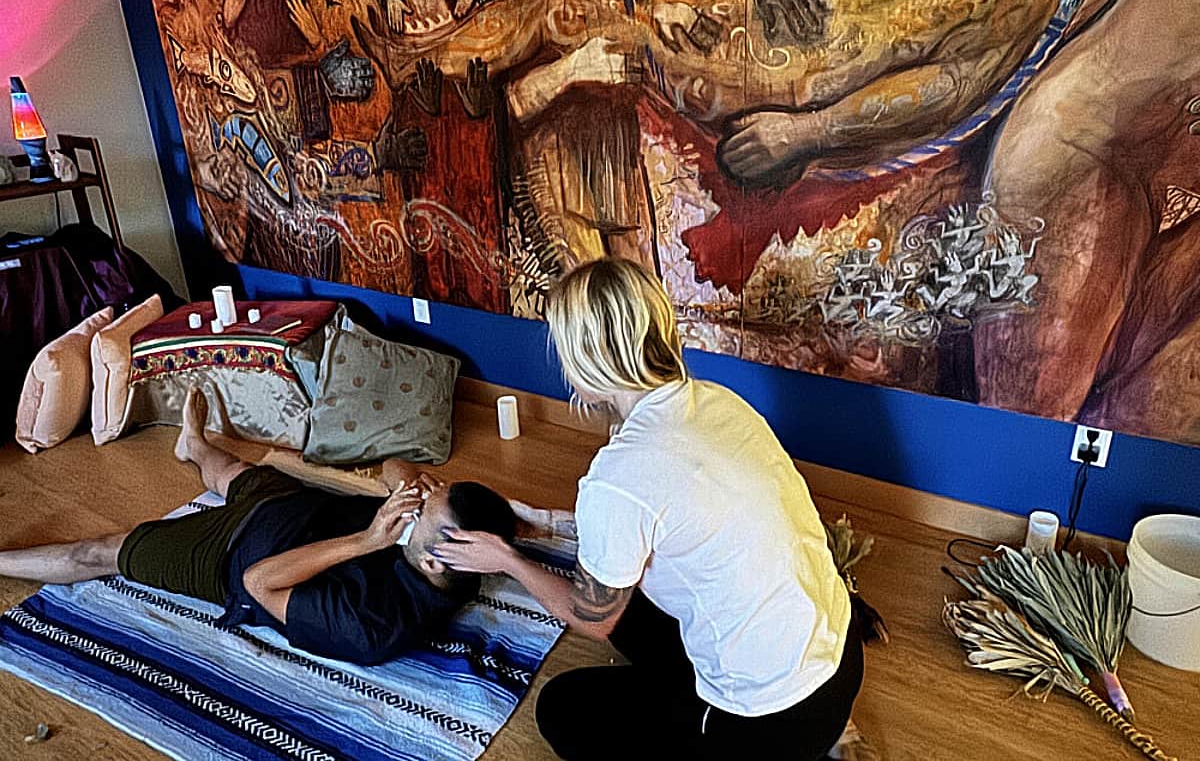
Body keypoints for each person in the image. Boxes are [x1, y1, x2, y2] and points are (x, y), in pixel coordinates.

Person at [432, 257, 864, 759]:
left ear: (587, 357)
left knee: (561, 709)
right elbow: (668, 516)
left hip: (772, 719)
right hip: (838, 652)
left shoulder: (618, 478)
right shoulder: (718, 402)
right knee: (633, 606)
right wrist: (547, 527)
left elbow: (591, 618)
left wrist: (506, 560)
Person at [0, 390, 516, 666]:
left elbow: (258, 582)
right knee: (233, 474)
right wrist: (412, 487)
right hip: (292, 506)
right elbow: (395, 468)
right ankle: (194, 446)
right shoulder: (449, 553)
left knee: (100, 552)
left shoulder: (371, 624)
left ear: (430, 561)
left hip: (227, 555)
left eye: (423, 511)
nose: (415, 509)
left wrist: (367, 539)